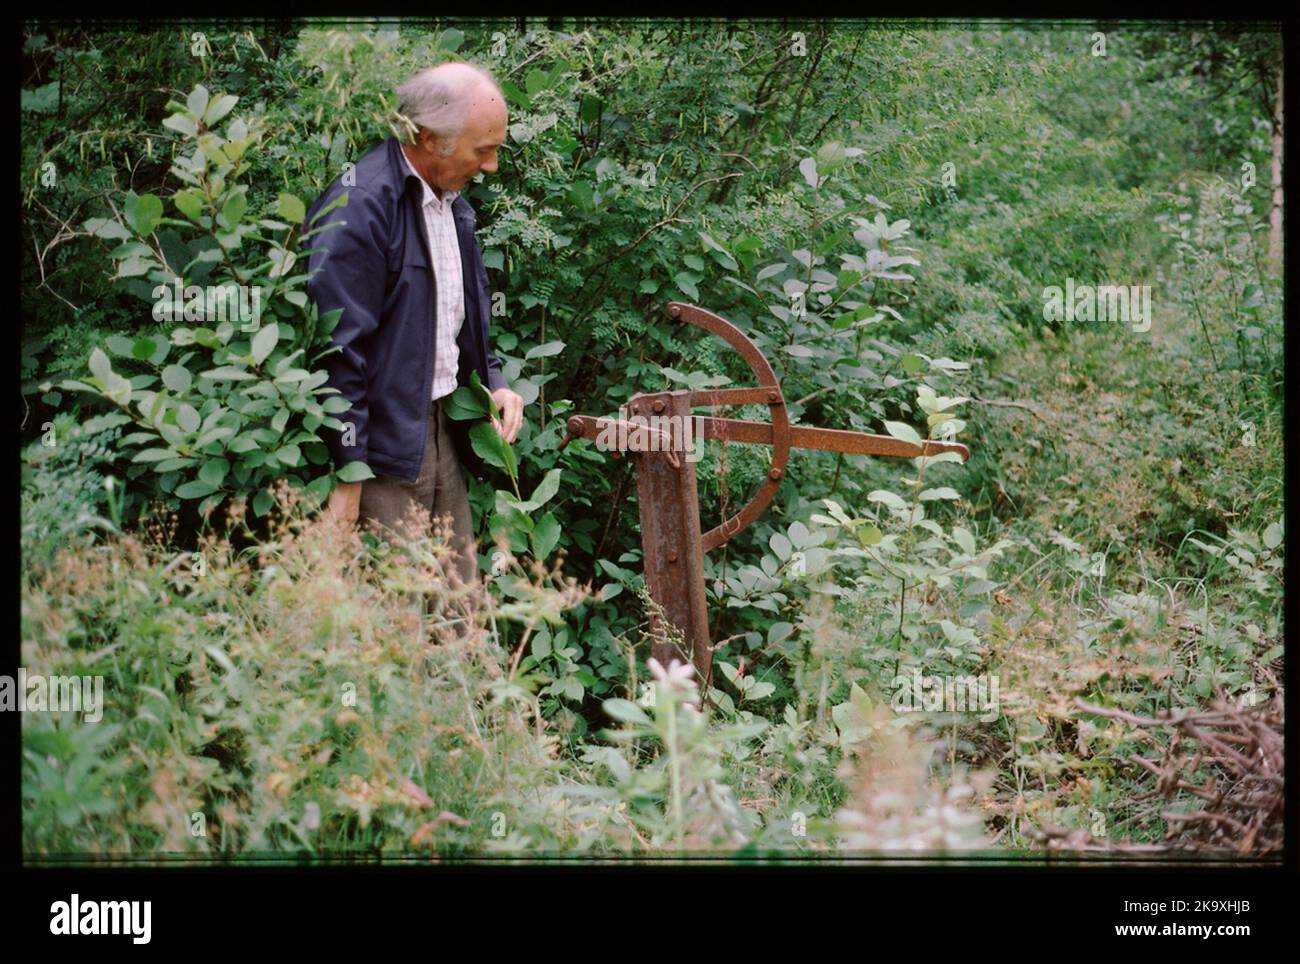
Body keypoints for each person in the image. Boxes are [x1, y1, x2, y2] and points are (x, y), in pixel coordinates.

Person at [304, 61, 524, 587]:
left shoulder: (452, 204)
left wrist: (492, 381)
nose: (492, 166)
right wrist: (349, 481)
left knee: (460, 610)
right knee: (395, 622)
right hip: (380, 450)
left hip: (443, 427)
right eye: (482, 150)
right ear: (429, 138)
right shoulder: (361, 205)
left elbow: (464, 315)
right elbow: (337, 352)